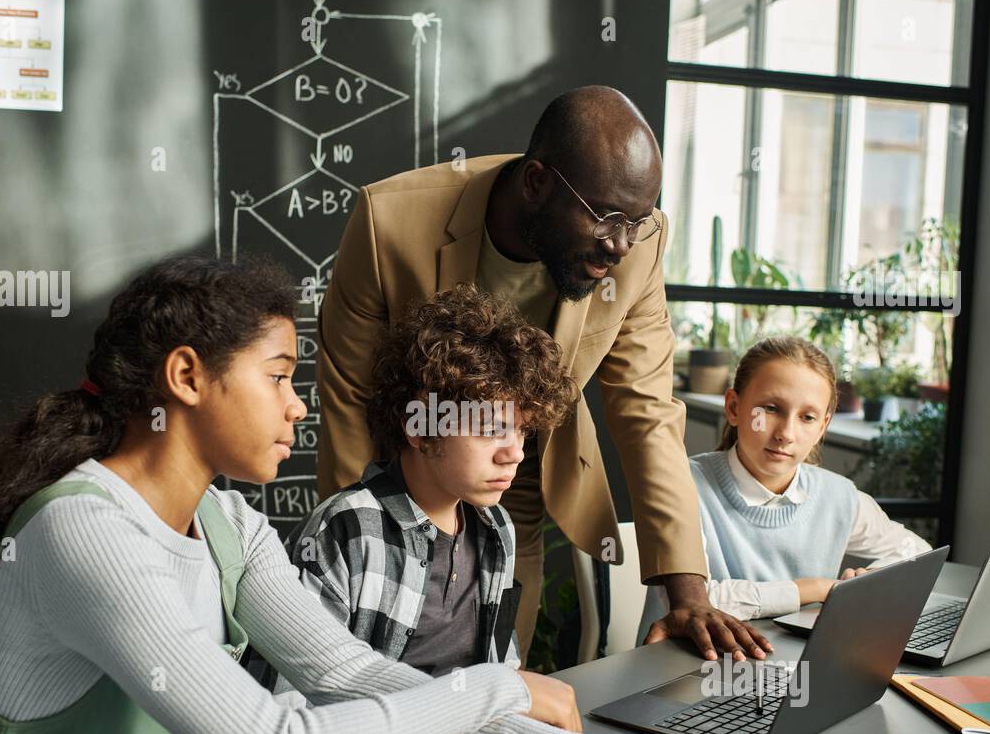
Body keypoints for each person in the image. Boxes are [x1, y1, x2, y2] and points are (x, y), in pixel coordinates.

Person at [0, 254, 684, 734]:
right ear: (187, 376)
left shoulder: (226, 522)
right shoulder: (84, 534)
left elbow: (349, 672)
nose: (299, 407)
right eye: (279, 376)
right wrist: (497, 686)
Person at [317, 85, 772, 665]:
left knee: (496, 665)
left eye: (637, 220)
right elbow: (352, 403)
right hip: (410, 460)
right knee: (378, 655)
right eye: (607, 218)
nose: (621, 244)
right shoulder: (391, 222)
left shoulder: (638, 245)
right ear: (536, 183)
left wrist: (688, 593)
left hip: (521, 477)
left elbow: (647, 412)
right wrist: (358, 547)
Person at [270, 284, 577, 721]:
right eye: (491, 429)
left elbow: (501, 672)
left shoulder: (497, 529)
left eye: (523, 431)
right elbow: (292, 704)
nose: (515, 453)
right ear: (419, 425)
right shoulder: (345, 532)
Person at [678, 336, 933, 626]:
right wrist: (813, 589)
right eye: (771, 409)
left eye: (807, 417)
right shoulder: (685, 485)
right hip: (688, 664)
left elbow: (916, 552)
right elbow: (694, 601)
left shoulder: (837, 495)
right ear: (734, 408)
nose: (786, 433)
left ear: (823, 426)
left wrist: (871, 581)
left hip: (789, 664)